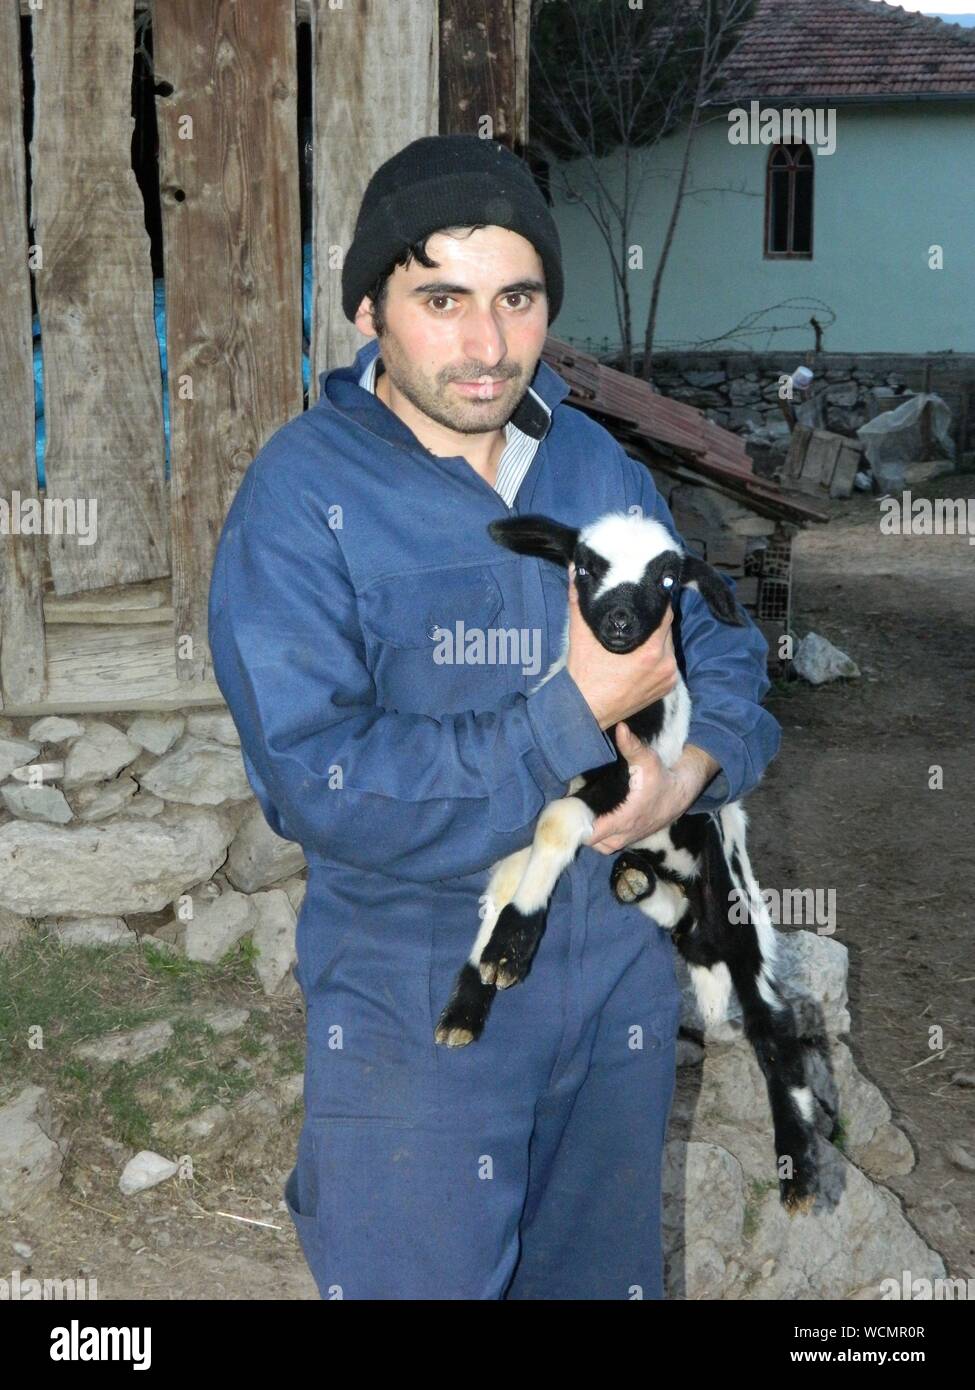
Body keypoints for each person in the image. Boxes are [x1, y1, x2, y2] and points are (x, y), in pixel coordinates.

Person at [208, 133, 781, 1300]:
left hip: (615, 971)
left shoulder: (595, 466)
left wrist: (691, 770)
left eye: (517, 298)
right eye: (442, 299)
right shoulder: (301, 499)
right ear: (370, 307)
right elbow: (318, 780)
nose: (487, 345)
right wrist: (568, 718)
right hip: (424, 991)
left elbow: (724, 648)